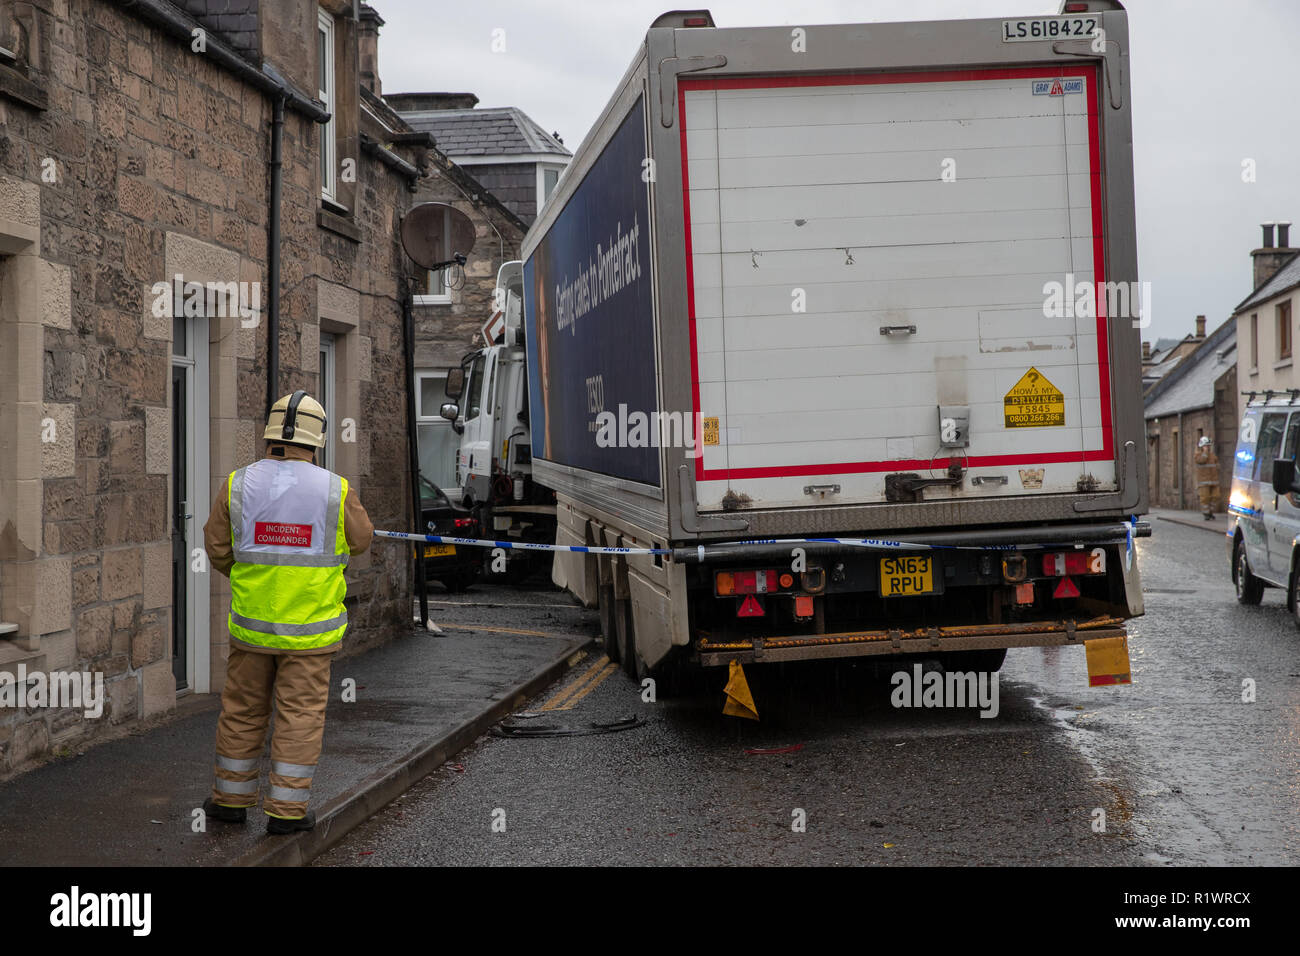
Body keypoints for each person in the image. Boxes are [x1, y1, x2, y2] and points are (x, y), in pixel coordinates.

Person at [201, 391, 373, 834]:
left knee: (241, 710)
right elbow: (361, 541)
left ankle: (230, 801)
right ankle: (285, 813)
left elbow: (218, 549)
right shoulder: (335, 489)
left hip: (252, 629)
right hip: (310, 635)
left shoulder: (237, 483)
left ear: (269, 433)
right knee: (299, 717)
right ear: (317, 439)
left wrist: (250, 579)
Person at [1195, 435, 1219, 520]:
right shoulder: (1198, 455)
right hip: (1203, 482)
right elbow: (1202, 460)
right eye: (1206, 446)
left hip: (1214, 481)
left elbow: (1216, 464)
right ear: (1202, 446)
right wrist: (1205, 453)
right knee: (1205, 498)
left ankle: (1210, 511)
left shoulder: (1212, 455)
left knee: (1216, 496)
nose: (1207, 447)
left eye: (1208, 446)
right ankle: (1206, 513)